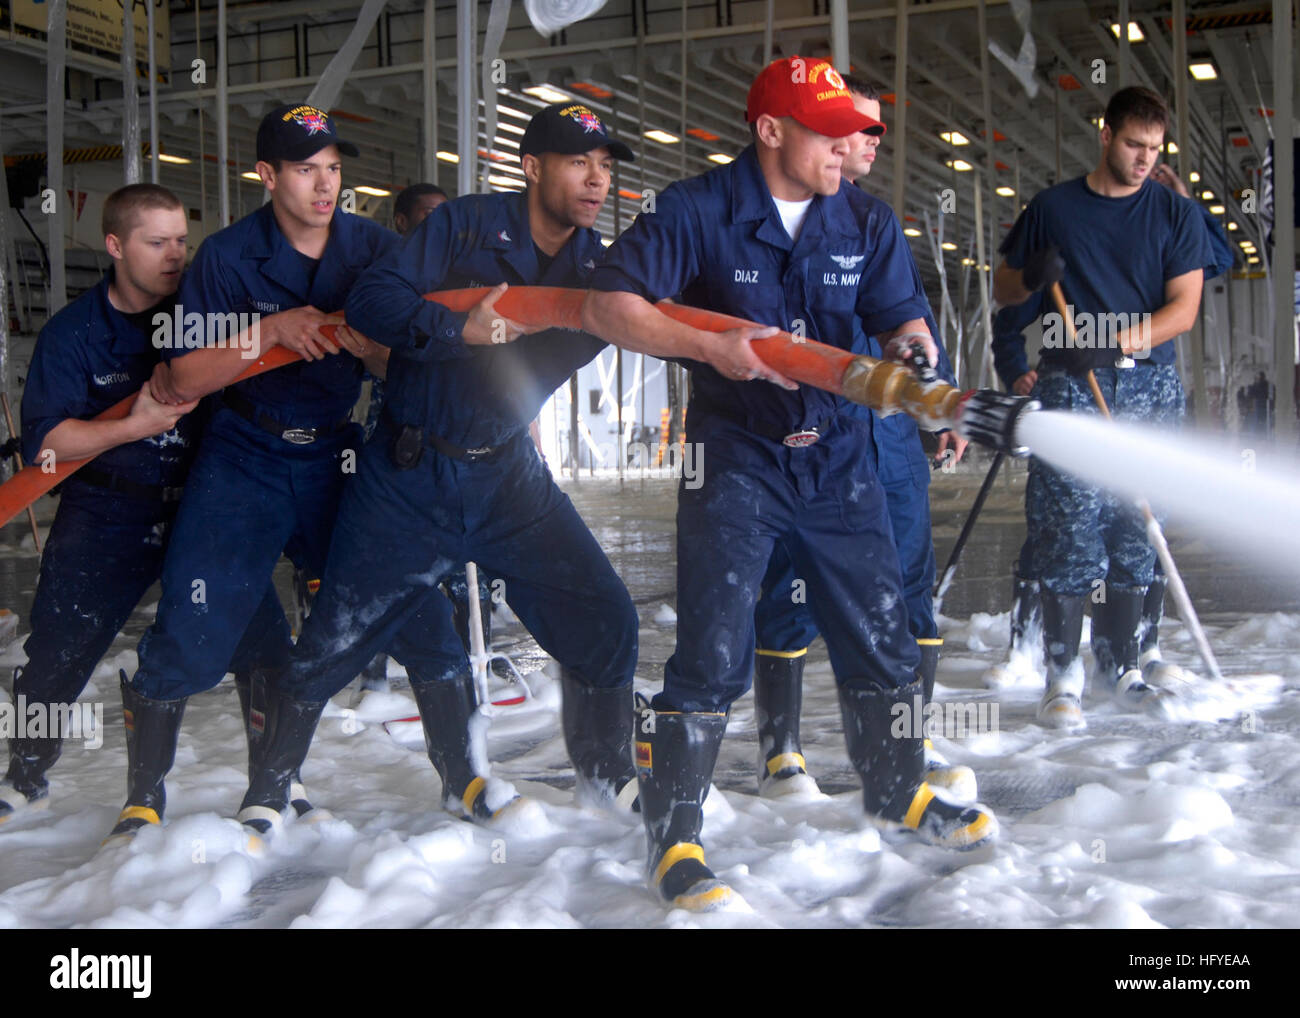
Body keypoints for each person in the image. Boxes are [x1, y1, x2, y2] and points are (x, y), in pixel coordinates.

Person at [583, 57, 998, 912]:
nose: (846, 146)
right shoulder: (697, 210)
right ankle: (676, 838)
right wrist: (708, 346)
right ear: (770, 131)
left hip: (840, 455)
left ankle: (898, 791)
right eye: (825, 129)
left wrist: (917, 354)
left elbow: (901, 318)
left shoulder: (864, 219)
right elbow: (608, 305)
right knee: (711, 652)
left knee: (881, 633)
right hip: (739, 458)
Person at [233, 101, 642, 836]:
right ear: (533, 168)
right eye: (580, 162)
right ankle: (267, 792)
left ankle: (606, 773)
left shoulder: (593, 263)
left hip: (509, 476)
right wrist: (459, 328)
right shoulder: (466, 225)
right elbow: (372, 300)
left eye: (606, 166)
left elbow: (618, 328)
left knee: (605, 613)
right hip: (409, 475)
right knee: (333, 638)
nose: (597, 180)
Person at [102, 104, 396, 841]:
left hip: (336, 452)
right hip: (245, 456)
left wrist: (371, 346)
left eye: (333, 168)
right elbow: (181, 376)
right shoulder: (228, 258)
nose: (324, 185)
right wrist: (270, 331)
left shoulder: (374, 248)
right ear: (267, 176)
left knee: (377, 613)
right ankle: (143, 798)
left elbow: (410, 352)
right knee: (192, 624)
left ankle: (281, 782)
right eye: (305, 170)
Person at [748, 74, 975, 803]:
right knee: (790, 587)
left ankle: (912, 738)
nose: (862, 142)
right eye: (849, 129)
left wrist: (928, 405)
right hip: (809, 436)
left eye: (874, 131)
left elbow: (905, 321)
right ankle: (782, 751)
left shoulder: (876, 223)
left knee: (910, 588)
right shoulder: (777, 218)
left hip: (888, 438)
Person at [992, 86, 1213, 729]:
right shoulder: (1054, 208)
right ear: (1105, 134)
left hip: (1147, 385)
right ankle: (1062, 678)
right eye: (1133, 145)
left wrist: (1117, 340)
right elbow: (1005, 290)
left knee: (1136, 527)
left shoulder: (1175, 216)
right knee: (1067, 529)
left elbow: (1184, 309)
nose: (1144, 159)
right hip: (1068, 387)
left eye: (1154, 148)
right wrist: (1032, 275)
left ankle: (1121, 667)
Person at [0, 186, 202, 824]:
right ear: (115, 246)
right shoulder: (74, 334)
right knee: (57, 652)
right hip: (105, 512)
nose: (174, 256)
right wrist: (130, 429)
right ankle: (24, 775)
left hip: (201, 507)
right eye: (156, 242)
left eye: (181, 241)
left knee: (258, 641)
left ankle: (270, 788)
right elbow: (49, 447)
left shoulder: (207, 318)